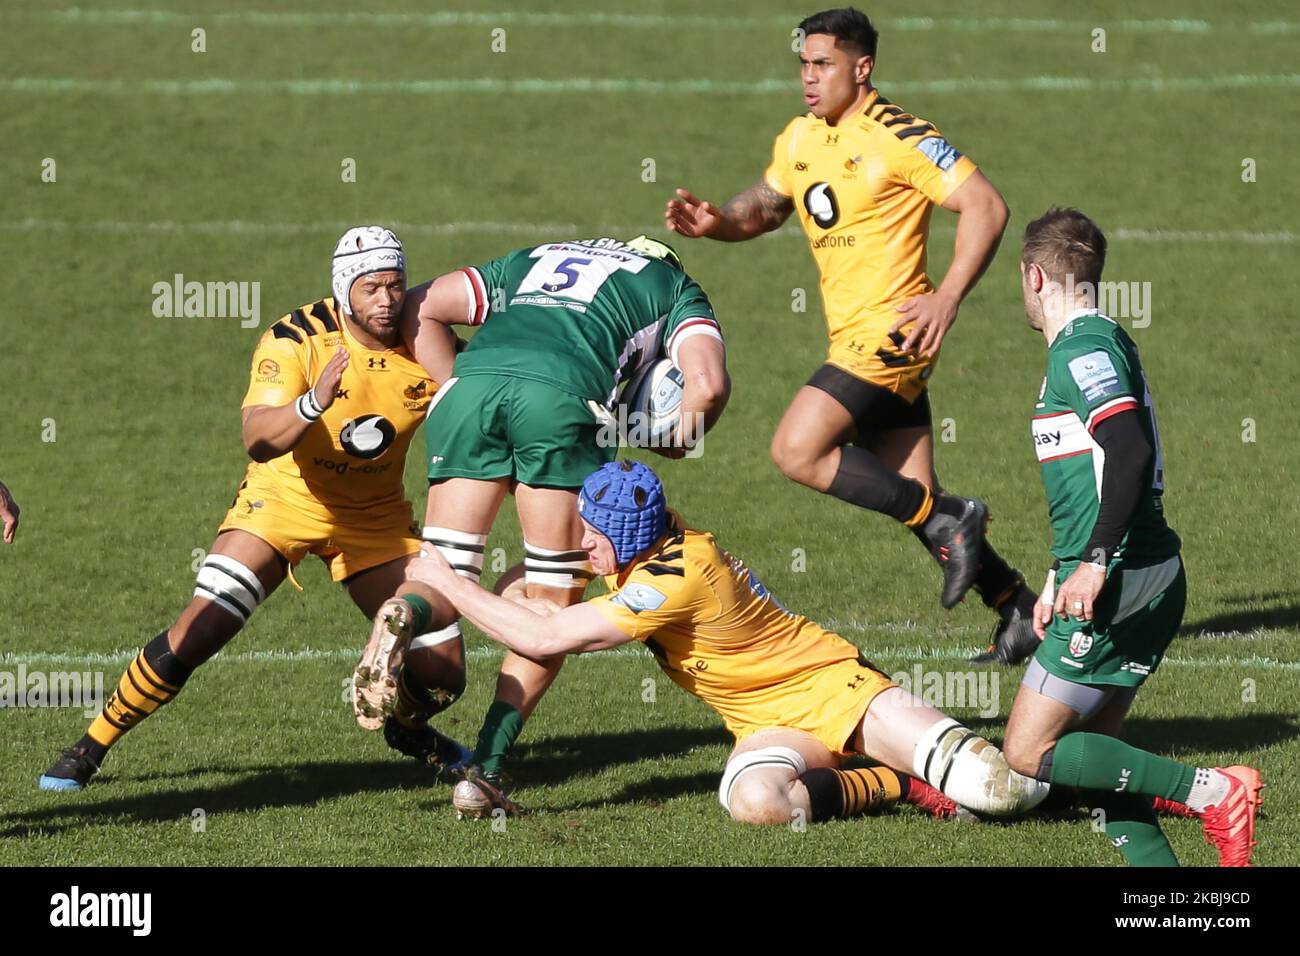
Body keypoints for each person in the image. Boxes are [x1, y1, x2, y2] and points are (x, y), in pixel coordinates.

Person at [666, 7, 1038, 665]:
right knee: (913, 493)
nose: (808, 78)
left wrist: (946, 297)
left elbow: (987, 205)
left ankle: (953, 521)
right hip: (852, 341)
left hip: (892, 335)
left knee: (796, 450)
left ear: (862, 68)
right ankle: (1018, 607)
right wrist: (716, 222)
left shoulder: (900, 134)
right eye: (803, 65)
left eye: (823, 65)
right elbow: (765, 208)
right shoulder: (801, 136)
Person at [39, 226, 469, 791]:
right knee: (203, 627)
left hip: (376, 519)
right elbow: (259, 438)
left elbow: (478, 407)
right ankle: (92, 743)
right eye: (371, 288)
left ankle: (408, 728)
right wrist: (314, 401)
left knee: (445, 670)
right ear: (344, 291)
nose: (387, 300)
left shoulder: (425, 340)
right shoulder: (296, 339)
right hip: (283, 501)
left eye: (395, 285)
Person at [407, 459, 1050, 825]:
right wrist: (514, 584)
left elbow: (548, 637)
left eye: (592, 534)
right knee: (756, 803)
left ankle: (1118, 781)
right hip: (763, 723)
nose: (580, 544)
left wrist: (444, 578)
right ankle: (894, 783)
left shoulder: (676, 579)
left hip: (836, 690)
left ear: (629, 538)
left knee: (999, 789)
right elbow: (559, 584)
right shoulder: (649, 544)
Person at [354, 236, 731, 819]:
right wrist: (677, 440)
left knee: (446, 568)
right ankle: (485, 771)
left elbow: (421, 306)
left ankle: (403, 614)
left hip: (470, 393)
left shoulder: (537, 257)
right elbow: (706, 385)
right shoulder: (671, 286)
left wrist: (462, 383)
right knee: (553, 600)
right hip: (561, 403)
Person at [999, 207, 1262, 866]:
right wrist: (1064, 568)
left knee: (1028, 752)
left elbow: (1129, 451)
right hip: (1131, 574)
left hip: (1122, 577)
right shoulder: (1095, 343)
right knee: (1097, 764)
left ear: (1033, 275)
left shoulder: (1082, 350)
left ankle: (1214, 790)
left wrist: (1092, 562)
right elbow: (1096, 471)